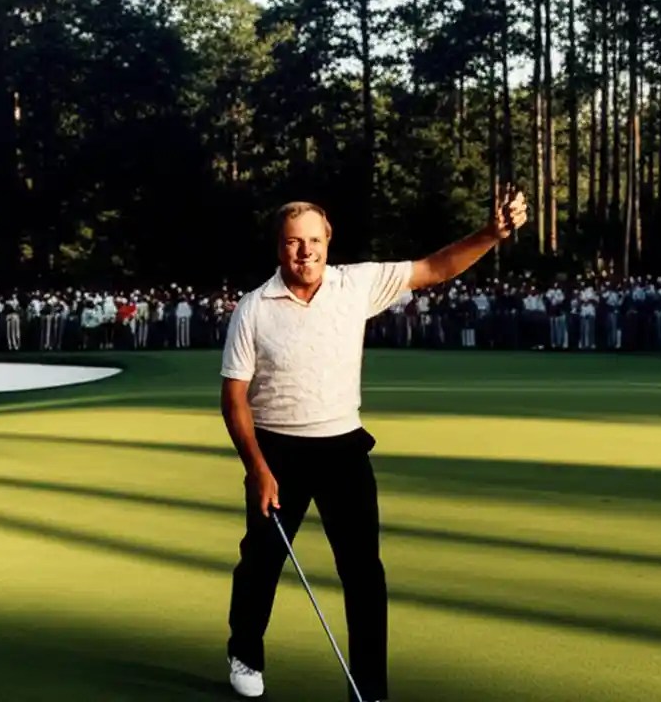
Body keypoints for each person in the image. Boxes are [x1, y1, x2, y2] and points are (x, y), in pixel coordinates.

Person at [219, 190, 528, 701]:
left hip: (343, 447)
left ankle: (370, 688)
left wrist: (490, 235)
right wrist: (257, 467)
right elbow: (234, 399)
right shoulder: (253, 308)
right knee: (261, 561)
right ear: (279, 247)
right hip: (278, 451)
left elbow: (434, 268)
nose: (306, 252)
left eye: (314, 241)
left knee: (364, 573)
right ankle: (245, 654)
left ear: (328, 239)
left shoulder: (356, 283)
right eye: (295, 242)